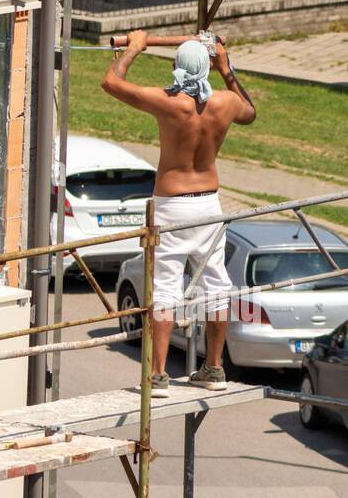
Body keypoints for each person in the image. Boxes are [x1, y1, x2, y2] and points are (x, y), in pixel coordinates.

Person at [102, 30, 257, 394]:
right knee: (218, 287)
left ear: (176, 70)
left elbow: (110, 82)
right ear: (205, 69)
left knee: (166, 288)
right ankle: (214, 368)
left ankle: (157, 375)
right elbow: (250, 112)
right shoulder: (224, 104)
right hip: (208, 204)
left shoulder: (169, 103)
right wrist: (226, 68)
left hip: (172, 206)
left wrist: (135, 49)